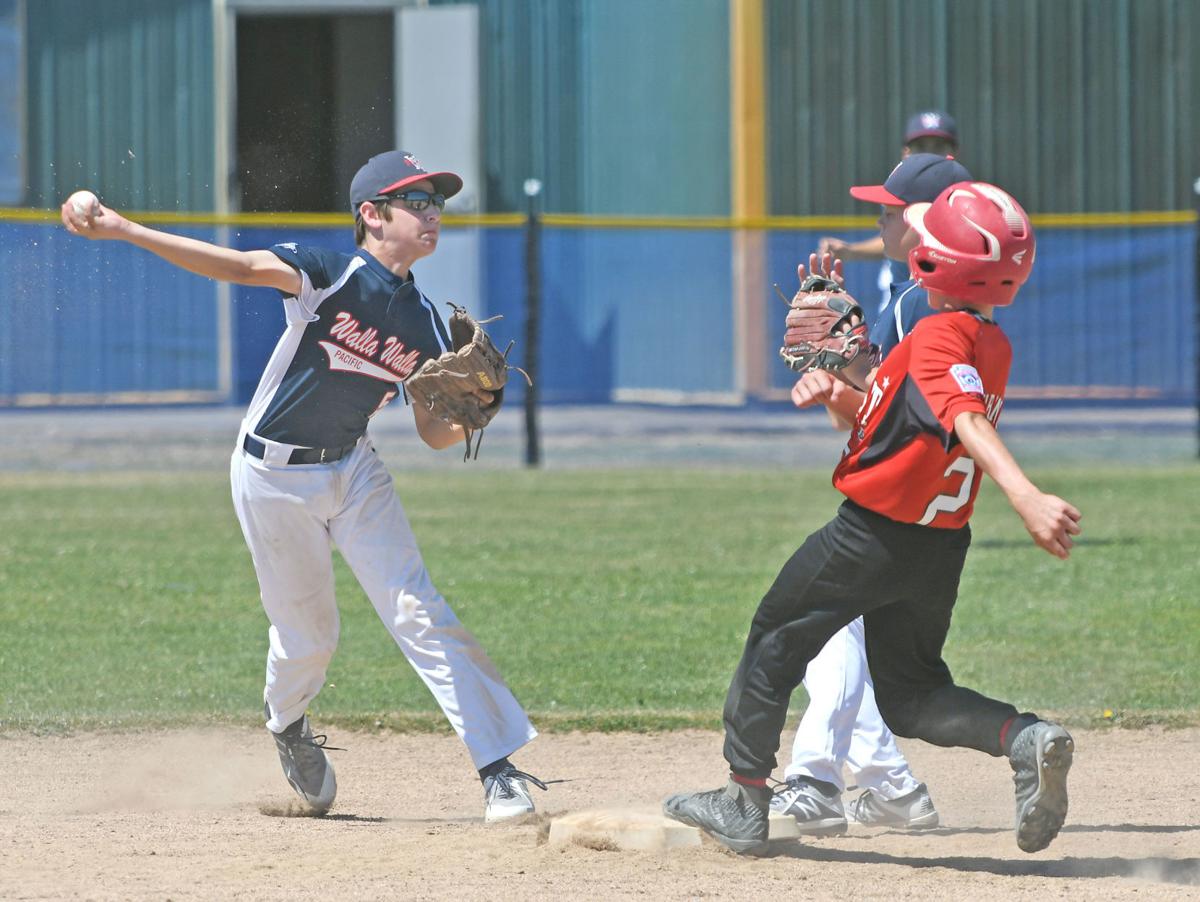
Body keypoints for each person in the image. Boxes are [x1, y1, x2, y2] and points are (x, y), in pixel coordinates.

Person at [60, 150, 544, 822]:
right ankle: (287, 723)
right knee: (310, 636)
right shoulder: (327, 273)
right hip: (271, 475)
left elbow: (435, 432)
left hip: (354, 470)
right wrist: (124, 229)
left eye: (437, 203)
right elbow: (237, 267)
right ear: (372, 215)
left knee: (419, 610)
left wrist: (475, 412)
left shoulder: (427, 322)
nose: (433, 215)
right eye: (417, 203)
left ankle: (500, 771)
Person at [665, 180, 1081, 857]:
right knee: (911, 694)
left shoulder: (940, 336)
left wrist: (1027, 496)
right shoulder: (983, 341)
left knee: (774, 637)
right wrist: (844, 387)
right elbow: (915, 428)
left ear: (931, 264)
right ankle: (1023, 738)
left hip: (872, 537)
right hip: (938, 547)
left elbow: (963, 420)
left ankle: (744, 798)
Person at [771, 153, 972, 837]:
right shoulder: (928, 297)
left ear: (923, 224)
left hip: (898, 501)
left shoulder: (923, 303)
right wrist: (841, 359)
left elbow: (875, 415)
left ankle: (816, 782)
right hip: (917, 500)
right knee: (833, 628)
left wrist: (837, 367)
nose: (877, 220)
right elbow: (868, 405)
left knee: (820, 622)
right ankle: (889, 788)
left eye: (888, 211)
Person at [818, 110, 960, 310]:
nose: (929, 153)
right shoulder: (901, 185)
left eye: (938, 146)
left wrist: (852, 251)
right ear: (906, 151)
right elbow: (898, 238)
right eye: (921, 146)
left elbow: (908, 239)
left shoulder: (961, 196)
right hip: (901, 298)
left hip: (938, 303)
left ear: (954, 151)